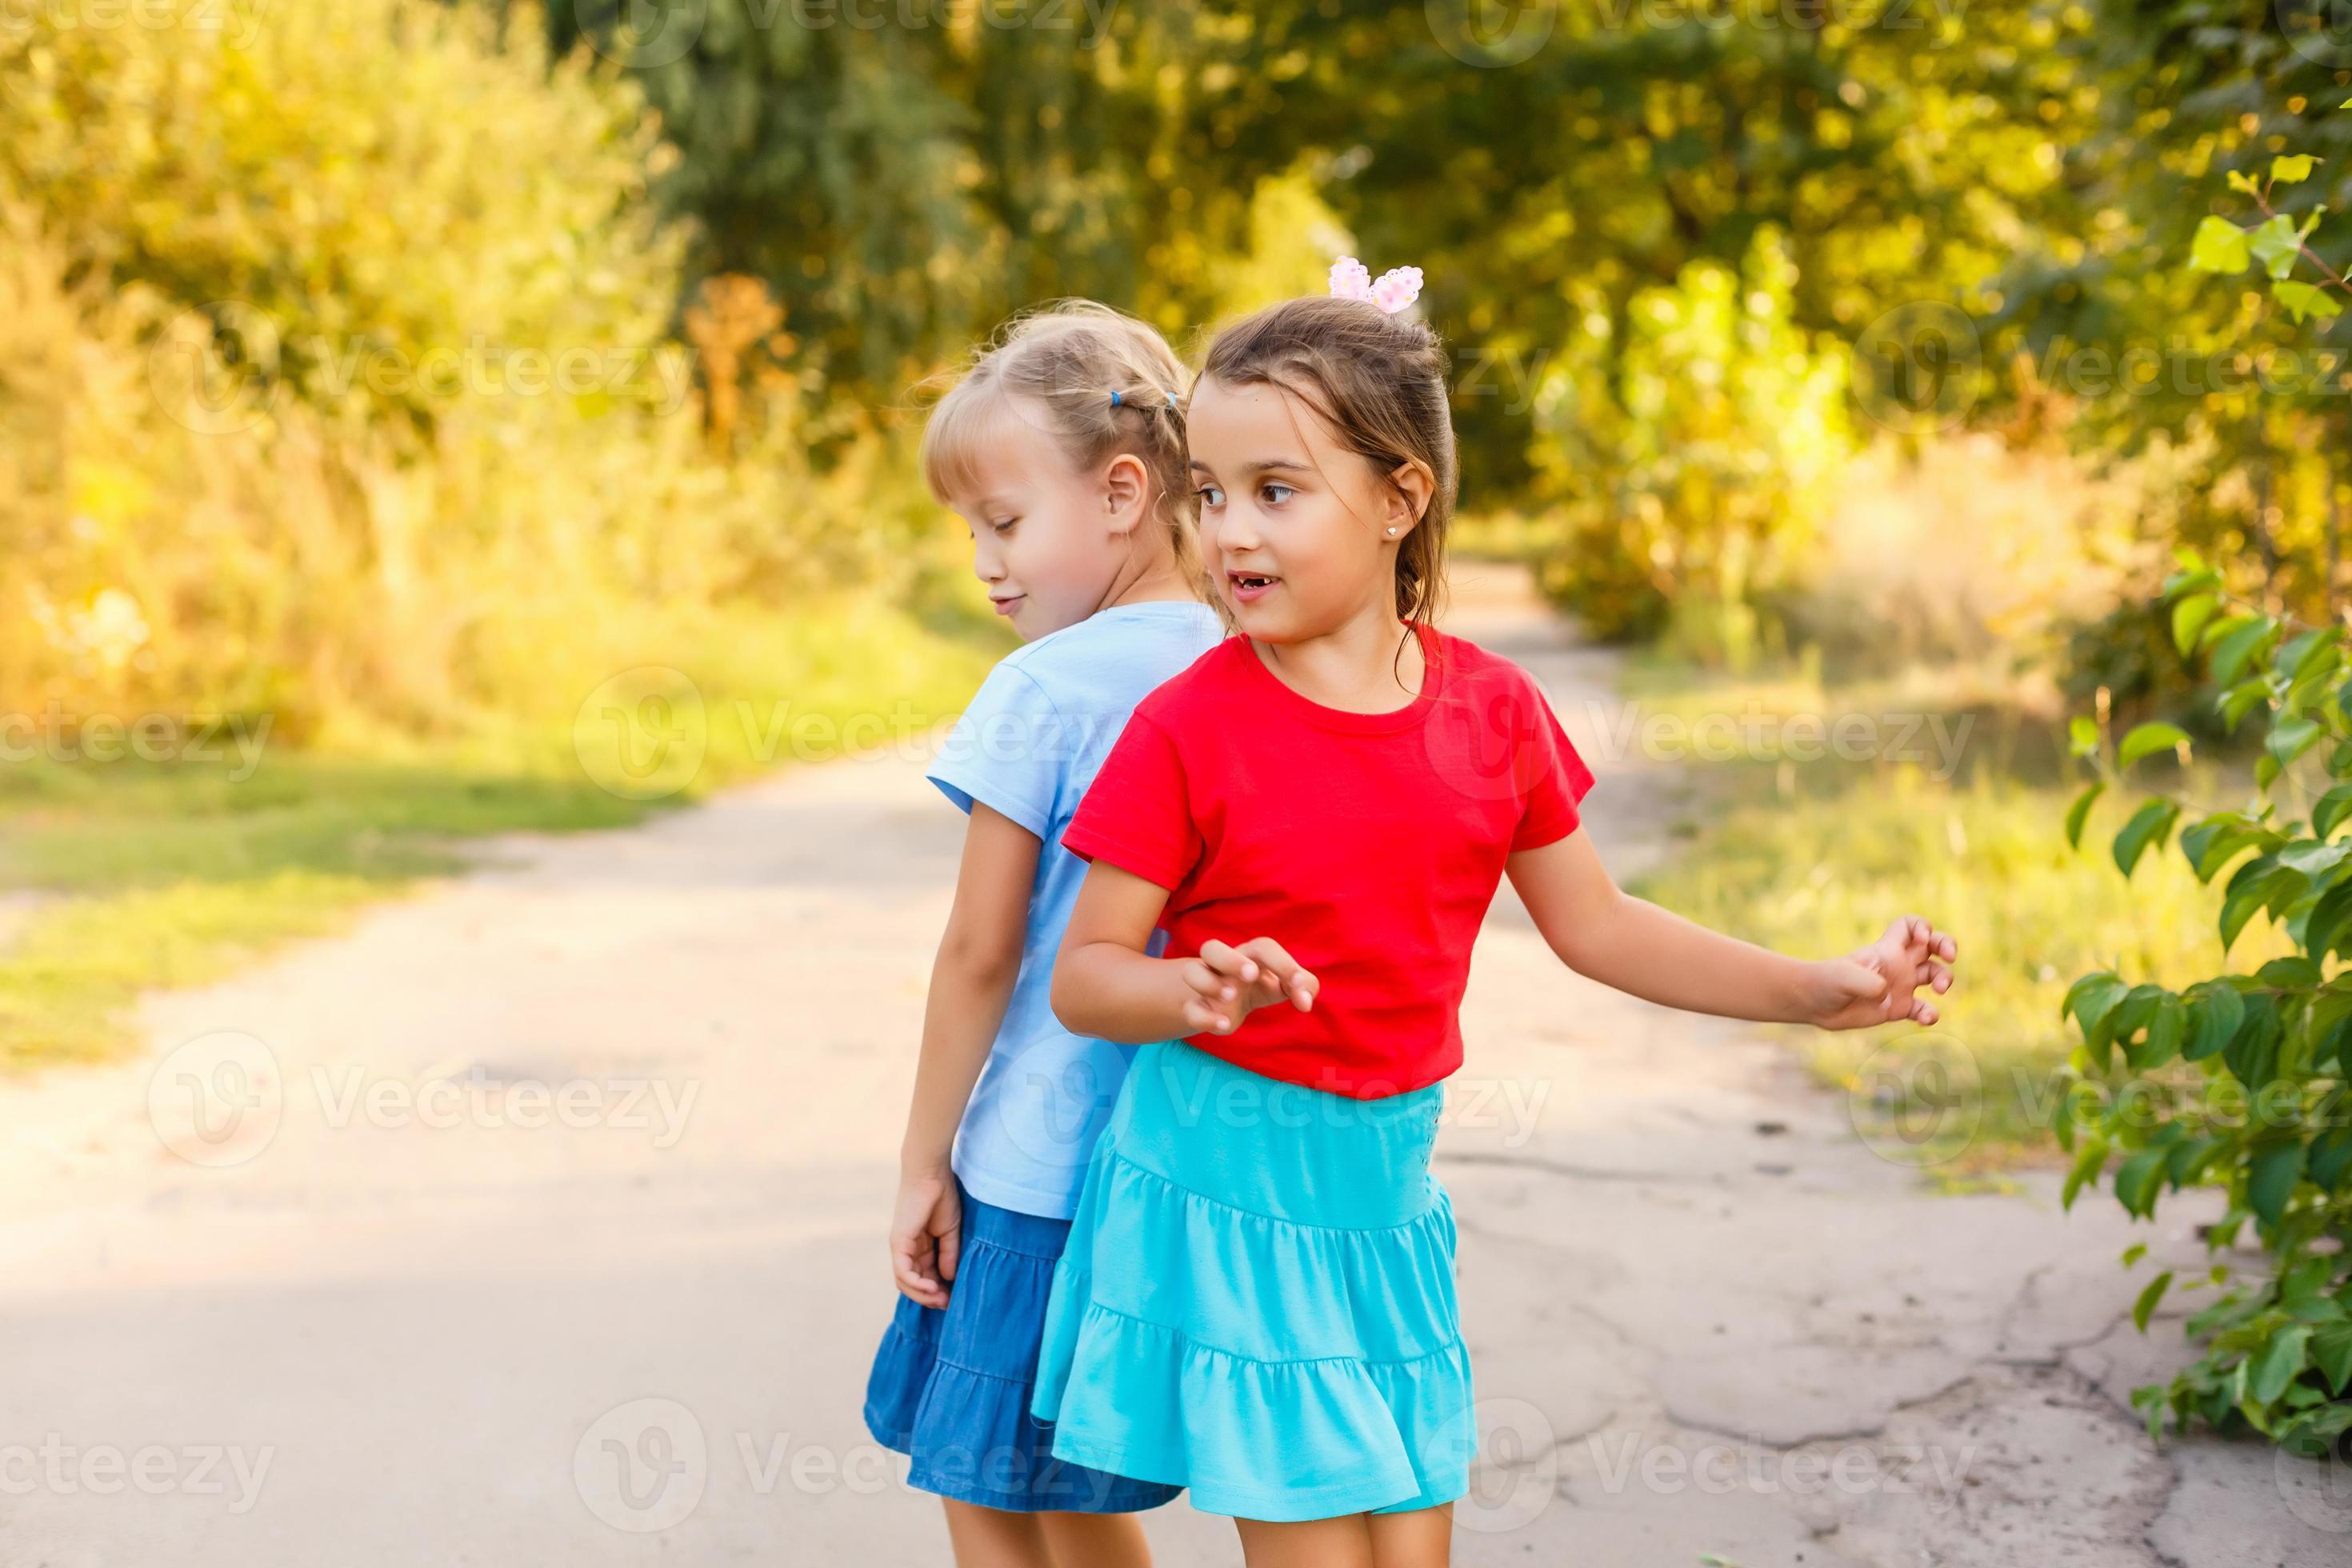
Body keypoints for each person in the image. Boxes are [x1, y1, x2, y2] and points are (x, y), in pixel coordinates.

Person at [1031, 262, 1961, 1567]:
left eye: (1277, 492)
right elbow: (1086, 976)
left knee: (1414, 1556)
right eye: (1211, 495)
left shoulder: (1492, 713)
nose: (1231, 533)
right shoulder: (1188, 728)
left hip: (1386, 1202)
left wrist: (1820, 988)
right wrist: (1193, 990)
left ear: (1402, 497)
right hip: (1228, 1184)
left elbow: (1603, 926)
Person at [862, 301, 1225, 1567]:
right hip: (1184, 1169)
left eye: (1004, 523)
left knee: (987, 1488)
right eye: (971, 532)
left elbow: (981, 951)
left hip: (1036, 1169)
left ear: (1123, 492)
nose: (984, 564)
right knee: (1077, 1496)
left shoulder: (1042, 689)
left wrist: (923, 1161)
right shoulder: (1246, 665)